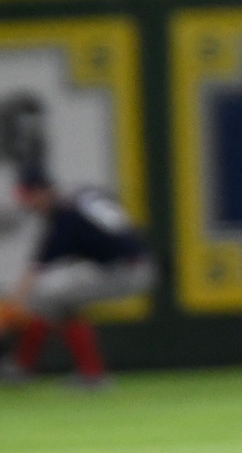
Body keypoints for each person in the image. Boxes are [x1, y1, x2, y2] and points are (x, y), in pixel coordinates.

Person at [0, 162, 153, 387]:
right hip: (133, 264)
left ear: (41, 191)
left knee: (46, 296)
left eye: (28, 196)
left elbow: (33, 274)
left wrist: (8, 315)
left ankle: (84, 375)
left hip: (127, 270)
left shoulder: (64, 216)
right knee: (54, 301)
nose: (27, 204)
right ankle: (29, 368)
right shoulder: (79, 198)